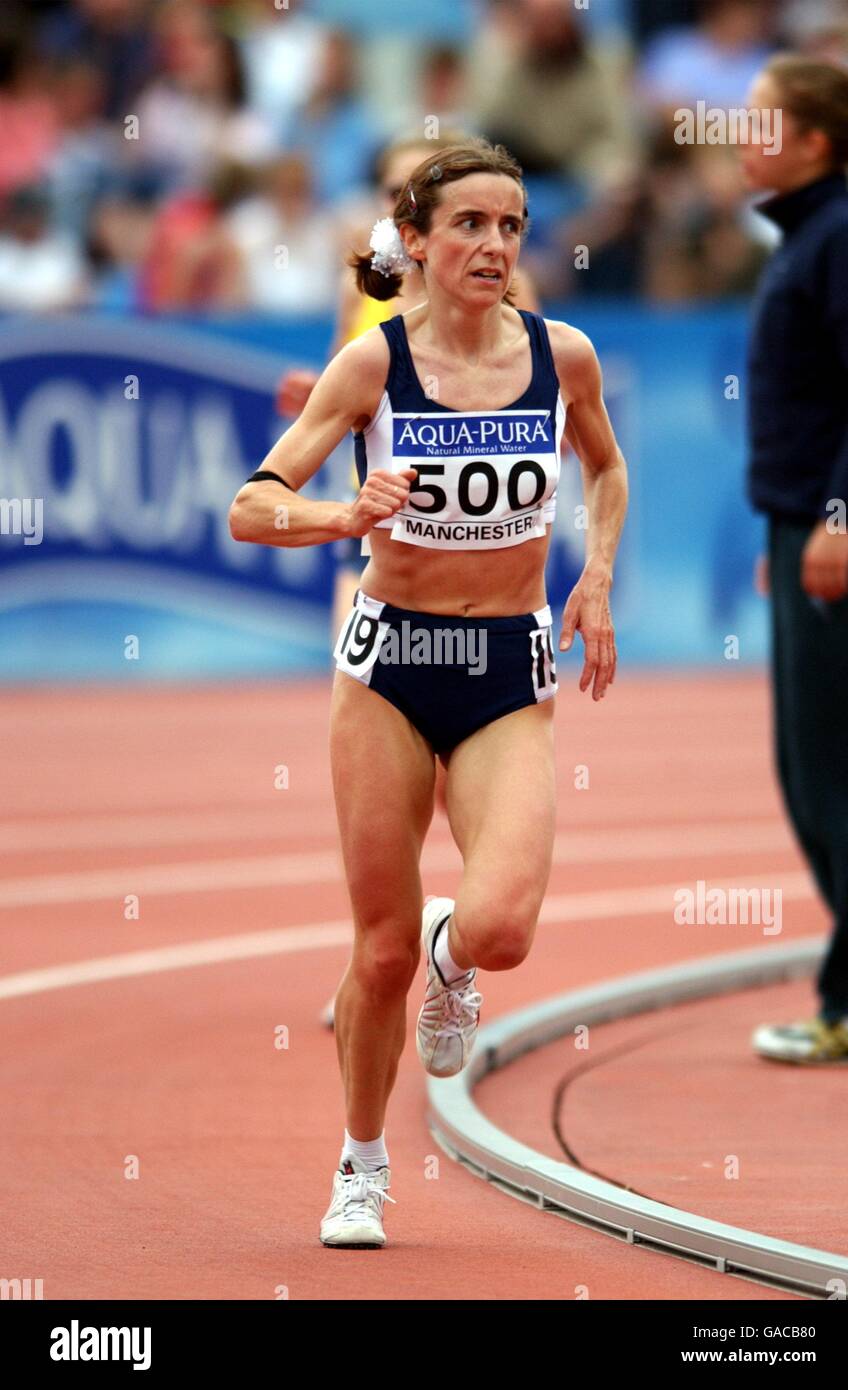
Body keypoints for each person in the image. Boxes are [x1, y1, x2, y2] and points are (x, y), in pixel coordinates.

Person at [228, 137, 627, 1247]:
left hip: (505, 665)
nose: (494, 244)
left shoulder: (563, 356)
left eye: (509, 226)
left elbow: (604, 465)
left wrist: (592, 577)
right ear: (414, 242)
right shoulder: (373, 367)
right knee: (378, 949)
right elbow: (251, 506)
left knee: (497, 930)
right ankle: (361, 1164)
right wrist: (339, 515)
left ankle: (456, 957)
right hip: (389, 669)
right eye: (469, 226)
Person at [275, 135, 541, 1033]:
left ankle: (437, 940)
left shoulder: (506, 293)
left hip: (481, 572)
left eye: (503, 224)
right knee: (377, 755)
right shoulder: (368, 291)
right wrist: (317, 396)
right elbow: (355, 384)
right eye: (391, 186)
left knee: (450, 767)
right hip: (377, 554)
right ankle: (381, 952)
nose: (489, 241)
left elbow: (515, 384)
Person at [740, 54, 848, 1063]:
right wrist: (783, 530)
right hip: (801, 531)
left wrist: (841, 516)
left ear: (813, 141)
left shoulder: (842, 240)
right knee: (804, 770)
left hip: (838, 536)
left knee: (832, 776)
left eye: (757, 123)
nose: (738, 139)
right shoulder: (805, 239)